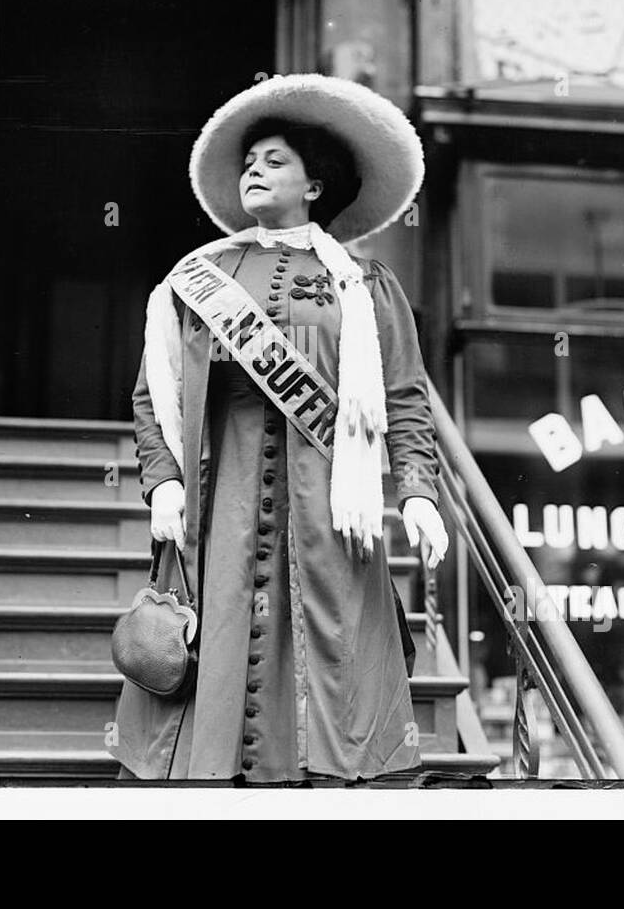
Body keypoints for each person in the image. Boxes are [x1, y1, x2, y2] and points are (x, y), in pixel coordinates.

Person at [113, 73, 450, 784]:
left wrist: (418, 489)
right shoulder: (198, 278)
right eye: (248, 163)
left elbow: (406, 397)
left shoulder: (365, 285)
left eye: (274, 161)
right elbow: (156, 392)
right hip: (220, 510)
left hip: (331, 514)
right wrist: (163, 481)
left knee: (335, 669)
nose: (254, 172)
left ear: (316, 184)